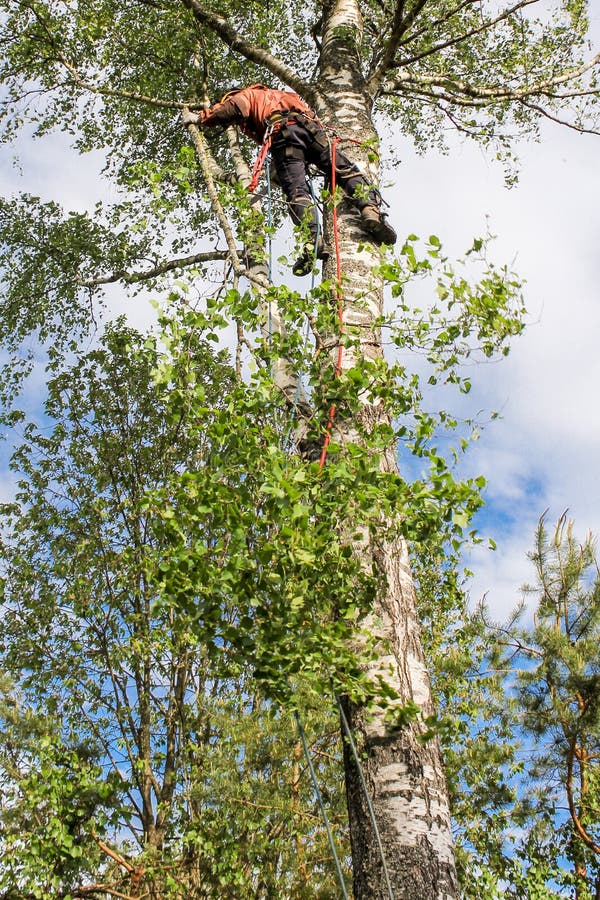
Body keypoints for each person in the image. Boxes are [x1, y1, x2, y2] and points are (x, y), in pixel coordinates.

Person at [181, 84, 397, 275]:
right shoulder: (283, 94)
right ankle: (370, 209)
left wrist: (200, 118)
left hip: (285, 136)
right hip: (312, 133)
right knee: (345, 170)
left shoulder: (247, 95)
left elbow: (235, 108)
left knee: (297, 192)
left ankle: (314, 240)